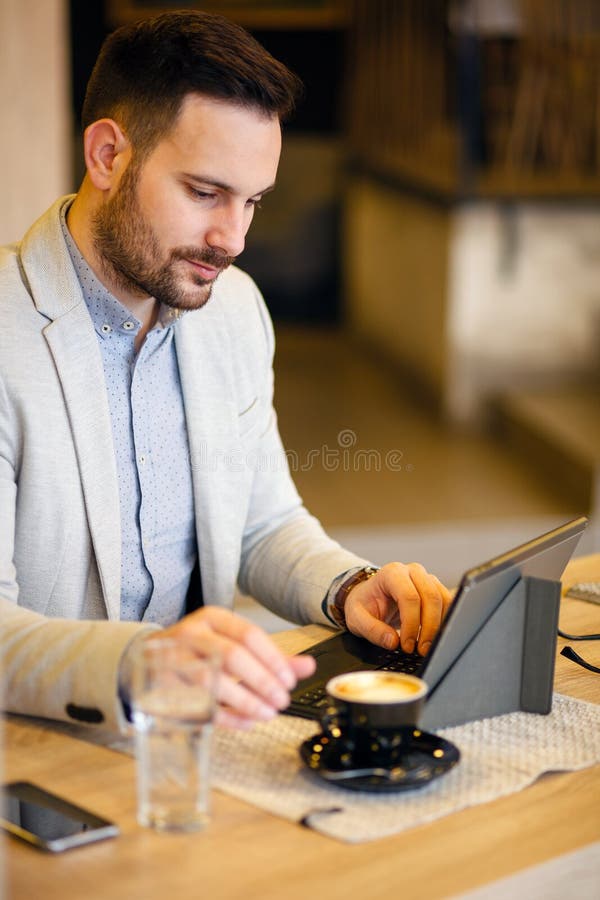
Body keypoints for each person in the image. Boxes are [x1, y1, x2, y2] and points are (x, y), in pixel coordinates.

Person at [0, 11, 451, 733]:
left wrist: (349, 588)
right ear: (108, 155)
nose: (232, 239)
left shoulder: (232, 308)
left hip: (199, 752)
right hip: (45, 763)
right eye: (205, 192)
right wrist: (139, 666)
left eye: (252, 202)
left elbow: (260, 523)